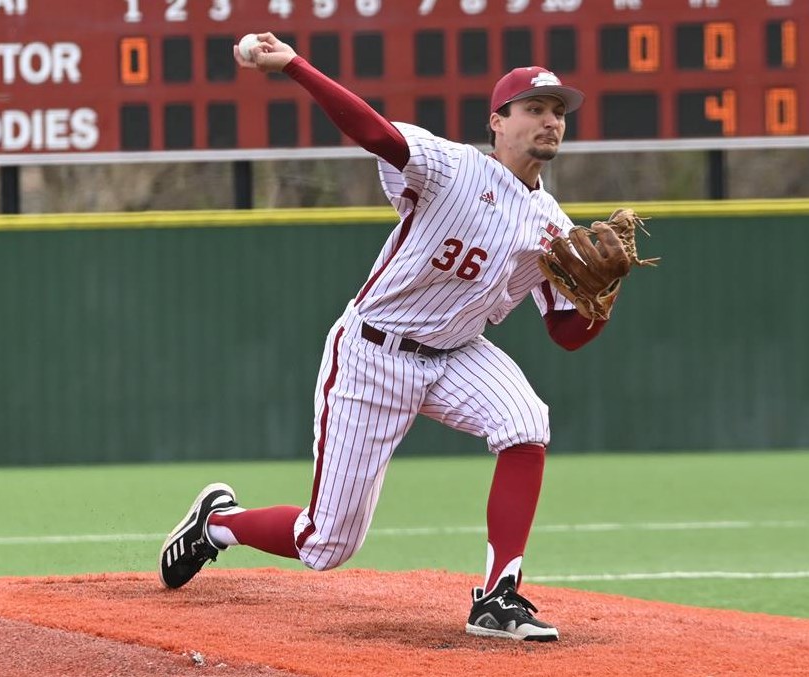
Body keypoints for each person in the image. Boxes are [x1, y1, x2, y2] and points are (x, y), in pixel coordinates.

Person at [158, 32, 641, 642]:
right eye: (535, 108)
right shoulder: (452, 166)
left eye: (559, 112)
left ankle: (498, 597)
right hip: (373, 352)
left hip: (458, 352)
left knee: (526, 422)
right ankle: (218, 524)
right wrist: (297, 68)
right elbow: (374, 132)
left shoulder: (551, 225)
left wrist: (603, 302)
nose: (552, 121)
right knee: (325, 544)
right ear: (498, 121)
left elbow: (565, 335)